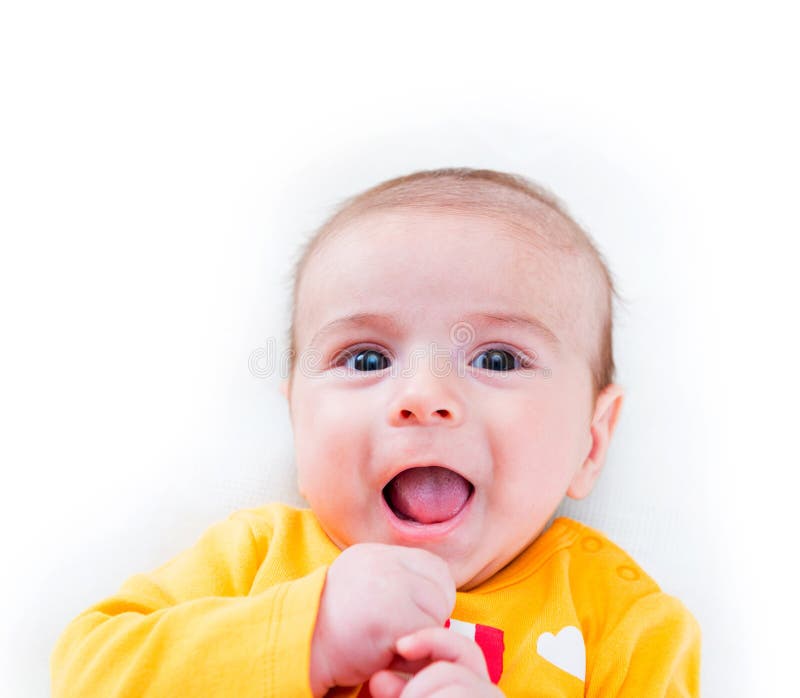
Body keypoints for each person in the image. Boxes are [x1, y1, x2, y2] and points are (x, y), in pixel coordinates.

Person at [51, 168, 701, 697]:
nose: (424, 398)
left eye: (497, 359)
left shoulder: (622, 623)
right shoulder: (256, 561)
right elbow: (85, 674)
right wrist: (310, 634)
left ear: (591, 442)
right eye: (367, 360)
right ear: (297, 423)